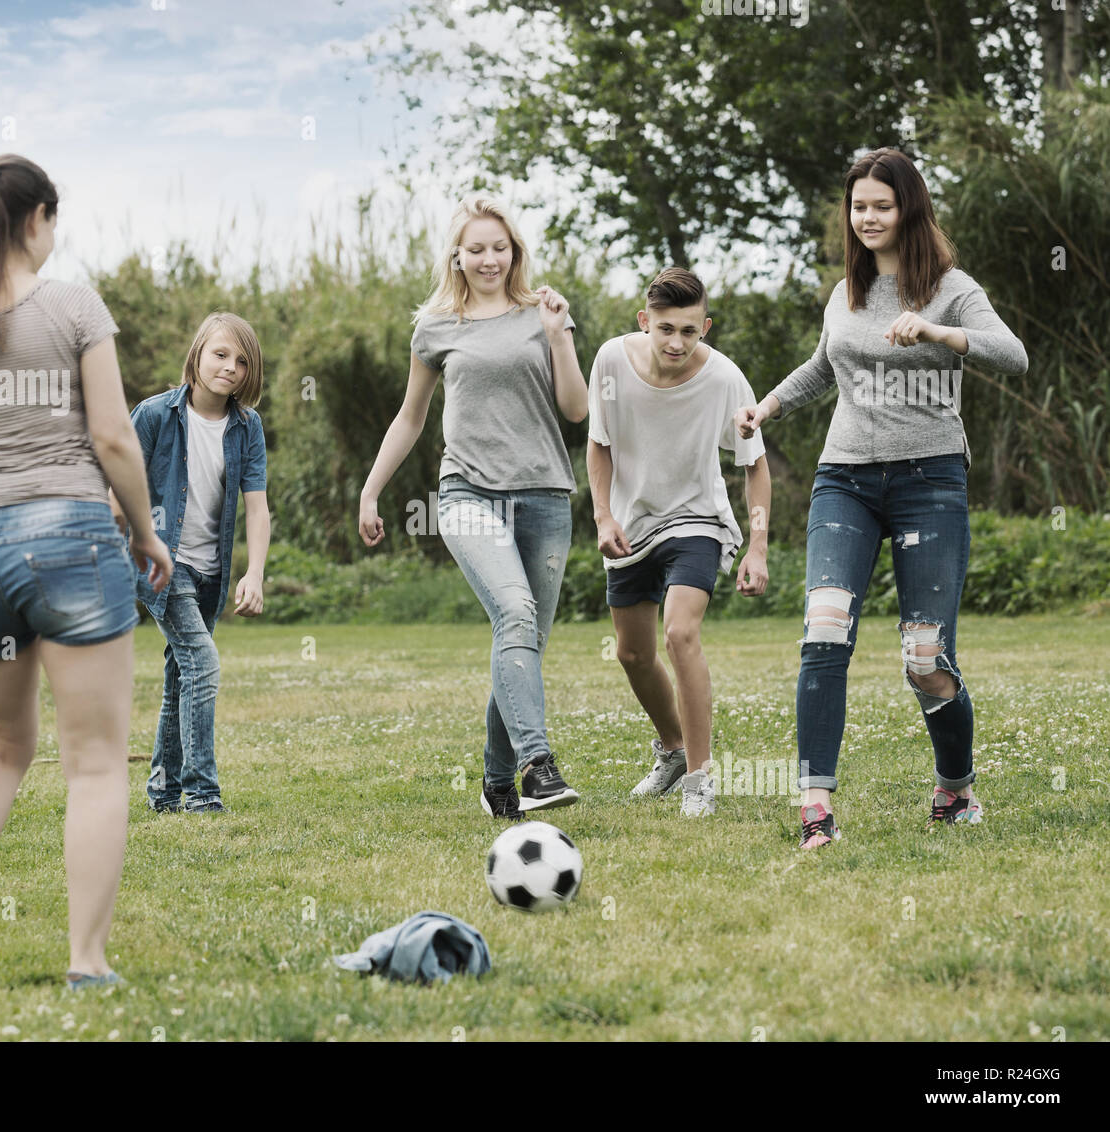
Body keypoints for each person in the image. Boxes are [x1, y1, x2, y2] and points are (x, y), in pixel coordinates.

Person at [0, 155, 173, 989]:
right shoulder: (74, 306)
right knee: (93, 759)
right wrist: (147, 532)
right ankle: (86, 963)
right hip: (72, 540)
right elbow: (113, 438)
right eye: (54, 221)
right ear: (36, 219)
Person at [735, 147, 1028, 849]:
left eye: (882, 205)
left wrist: (936, 331)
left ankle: (954, 789)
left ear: (909, 210)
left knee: (924, 656)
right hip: (847, 480)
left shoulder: (952, 288)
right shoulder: (848, 292)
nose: (868, 218)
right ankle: (816, 808)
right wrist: (767, 406)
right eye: (859, 206)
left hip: (930, 481)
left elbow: (1011, 354)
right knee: (824, 626)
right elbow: (822, 365)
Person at [358, 195, 589, 821]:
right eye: (476, 248)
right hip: (467, 494)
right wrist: (371, 489)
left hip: (544, 495)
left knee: (524, 641)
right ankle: (538, 765)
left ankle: (496, 781)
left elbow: (576, 409)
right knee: (515, 611)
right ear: (457, 256)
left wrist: (558, 337)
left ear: (514, 251)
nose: (489, 258)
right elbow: (411, 418)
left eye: (500, 247)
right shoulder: (436, 326)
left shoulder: (543, 313)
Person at [587, 267, 770, 816]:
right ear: (644, 321)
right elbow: (599, 445)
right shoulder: (611, 363)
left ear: (705, 327)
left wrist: (757, 546)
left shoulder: (725, 380)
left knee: (680, 633)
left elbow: (755, 467)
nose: (676, 343)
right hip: (630, 523)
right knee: (633, 652)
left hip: (697, 521)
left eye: (690, 331)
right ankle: (671, 748)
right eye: (665, 328)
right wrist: (602, 516)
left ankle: (699, 777)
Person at [109, 312, 270, 814]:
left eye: (242, 361)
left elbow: (258, 506)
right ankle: (202, 794)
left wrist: (254, 572)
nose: (231, 368)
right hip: (162, 561)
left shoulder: (248, 427)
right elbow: (118, 492)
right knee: (203, 665)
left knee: (182, 673)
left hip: (211, 571)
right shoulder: (155, 416)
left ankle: (162, 791)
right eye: (221, 354)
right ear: (198, 354)